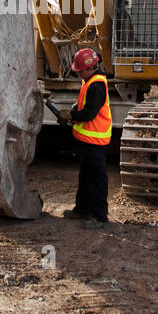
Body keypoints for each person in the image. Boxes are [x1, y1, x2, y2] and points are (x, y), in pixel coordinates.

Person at [63, 47, 111, 223]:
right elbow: (83, 106)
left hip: (96, 140)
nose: (78, 73)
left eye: (80, 70)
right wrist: (74, 110)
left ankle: (100, 216)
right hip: (87, 140)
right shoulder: (89, 81)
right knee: (85, 177)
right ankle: (82, 209)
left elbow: (90, 113)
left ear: (90, 68)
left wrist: (72, 116)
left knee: (97, 178)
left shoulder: (97, 85)